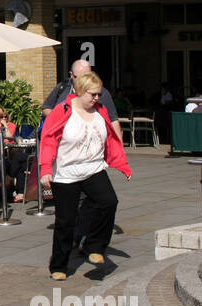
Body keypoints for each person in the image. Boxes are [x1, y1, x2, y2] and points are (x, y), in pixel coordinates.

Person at [38, 72, 133, 281]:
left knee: (108, 202)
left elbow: (112, 137)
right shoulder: (62, 111)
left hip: (93, 168)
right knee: (66, 221)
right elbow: (48, 140)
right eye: (93, 94)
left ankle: (94, 247)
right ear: (80, 92)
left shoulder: (101, 111)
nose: (97, 98)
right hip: (66, 172)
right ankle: (58, 266)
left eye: (99, 94)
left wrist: (122, 164)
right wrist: (46, 168)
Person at [41, 60, 117, 121]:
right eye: (78, 77)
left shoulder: (101, 92)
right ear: (71, 75)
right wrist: (59, 119)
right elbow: (46, 107)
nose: (82, 80)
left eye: (86, 76)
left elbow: (113, 120)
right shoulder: (63, 87)